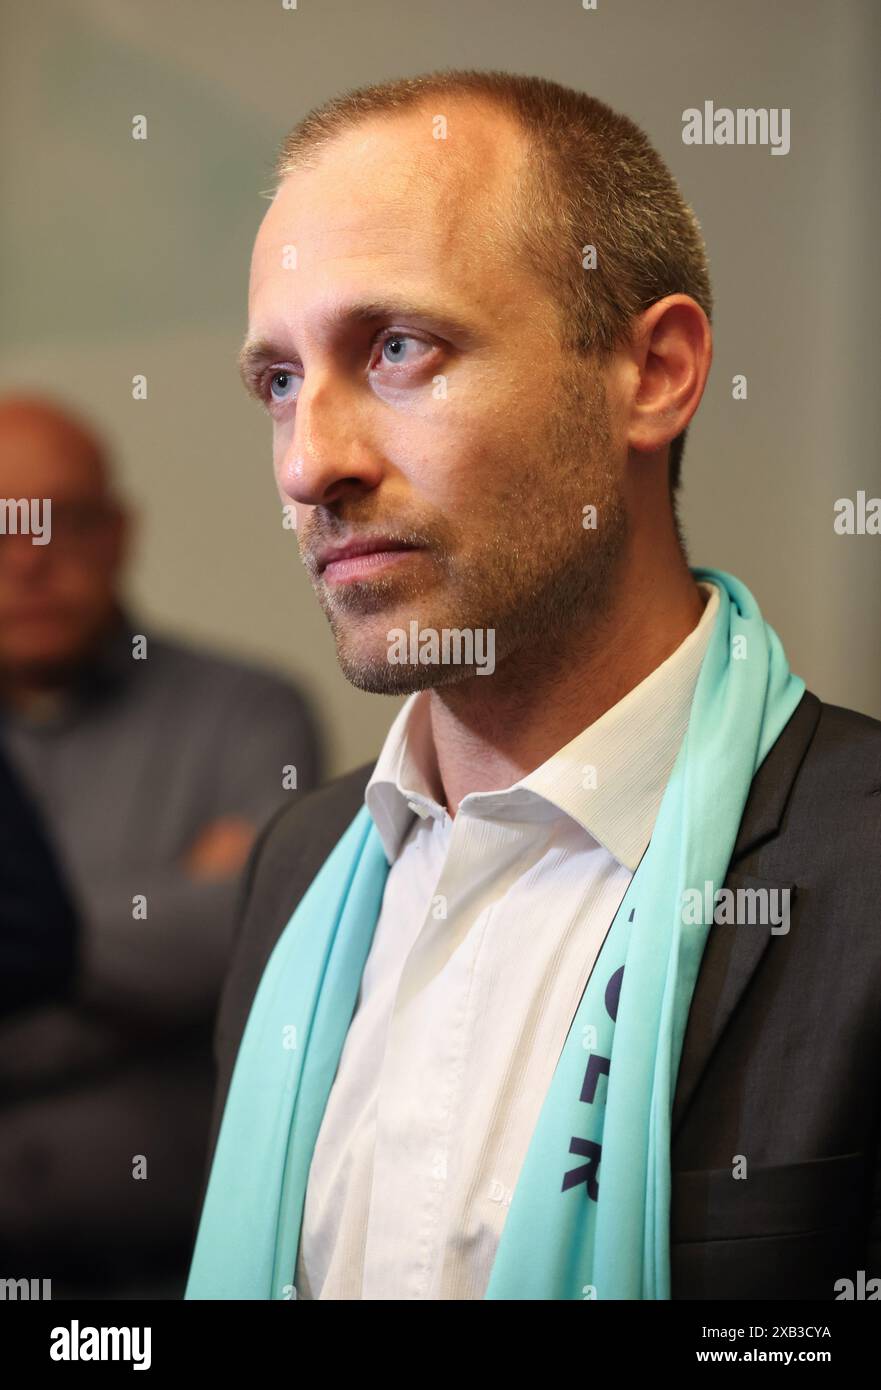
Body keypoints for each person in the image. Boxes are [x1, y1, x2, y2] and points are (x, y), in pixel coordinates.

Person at [185, 70, 881, 1301]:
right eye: (279, 382)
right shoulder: (301, 863)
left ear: (653, 372)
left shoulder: (860, 866)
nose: (310, 463)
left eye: (397, 348)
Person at [0, 395, 324, 1297]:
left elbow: (246, 939)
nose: (30, 559)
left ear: (119, 532)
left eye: (63, 520)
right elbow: (186, 947)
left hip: (179, 1273)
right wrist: (152, 948)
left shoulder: (247, 713)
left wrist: (27, 953)